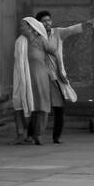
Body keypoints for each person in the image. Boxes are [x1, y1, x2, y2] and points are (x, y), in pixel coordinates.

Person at [36, 10, 94, 143]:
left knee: (59, 107)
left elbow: (71, 30)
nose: (47, 23)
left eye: (49, 20)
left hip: (57, 76)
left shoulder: (57, 33)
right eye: (44, 21)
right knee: (40, 109)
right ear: (38, 23)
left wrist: (86, 25)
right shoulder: (36, 37)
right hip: (42, 76)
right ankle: (34, 135)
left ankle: (56, 137)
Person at [12, 16, 54, 144]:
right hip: (23, 79)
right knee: (19, 104)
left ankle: (38, 134)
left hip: (40, 79)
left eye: (23, 25)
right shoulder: (20, 42)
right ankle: (20, 135)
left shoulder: (41, 40)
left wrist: (59, 71)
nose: (20, 28)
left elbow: (55, 53)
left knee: (41, 106)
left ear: (31, 28)